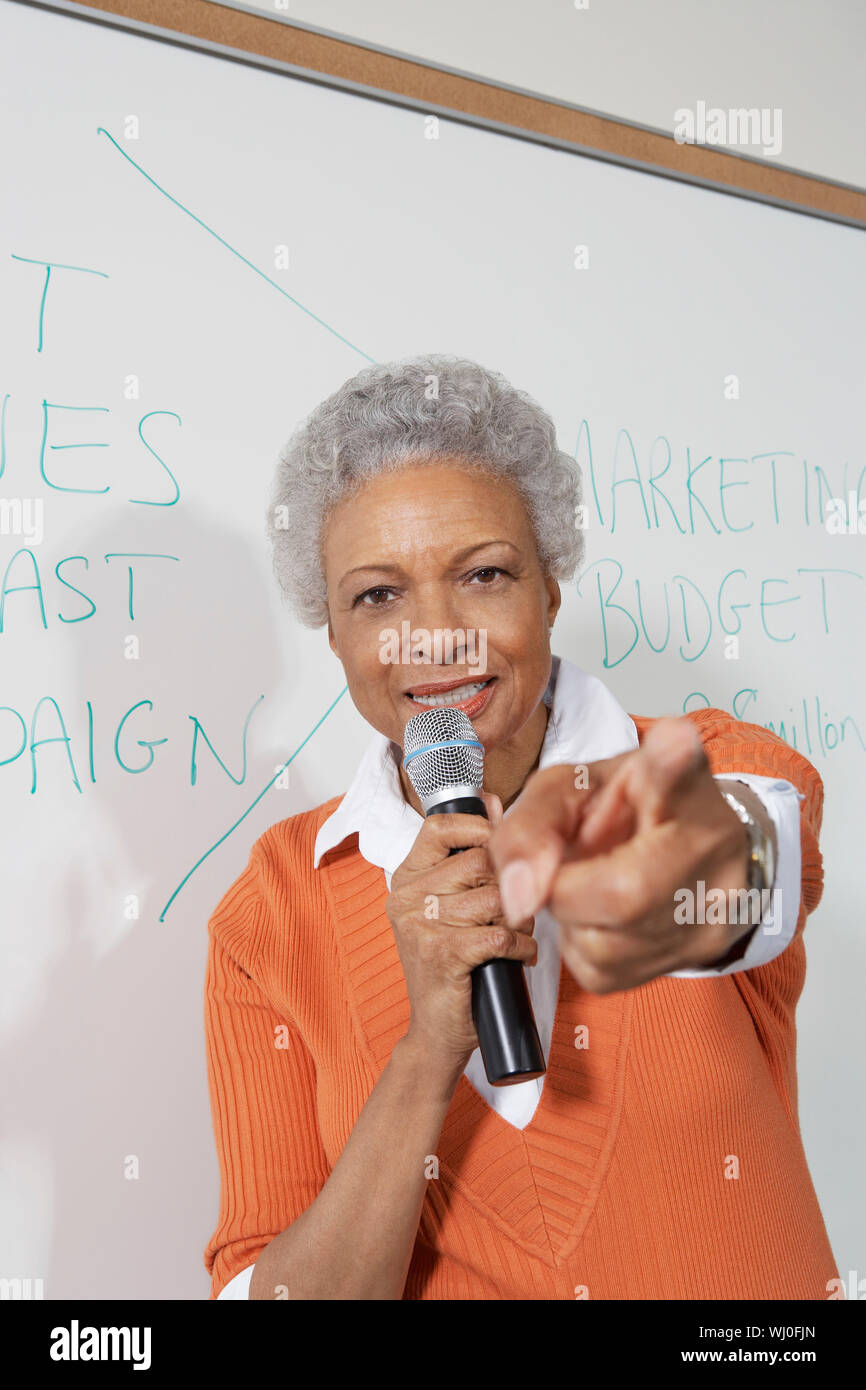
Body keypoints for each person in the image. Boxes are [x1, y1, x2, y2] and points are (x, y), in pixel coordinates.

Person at [203, 353, 838, 1300]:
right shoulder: (273, 907)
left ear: (549, 587)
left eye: (485, 575)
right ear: (332, 633)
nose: (436, 637)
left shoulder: (711, 761)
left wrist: (542, 834)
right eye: (378, 595)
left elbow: (746, 879)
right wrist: (426, 1052)